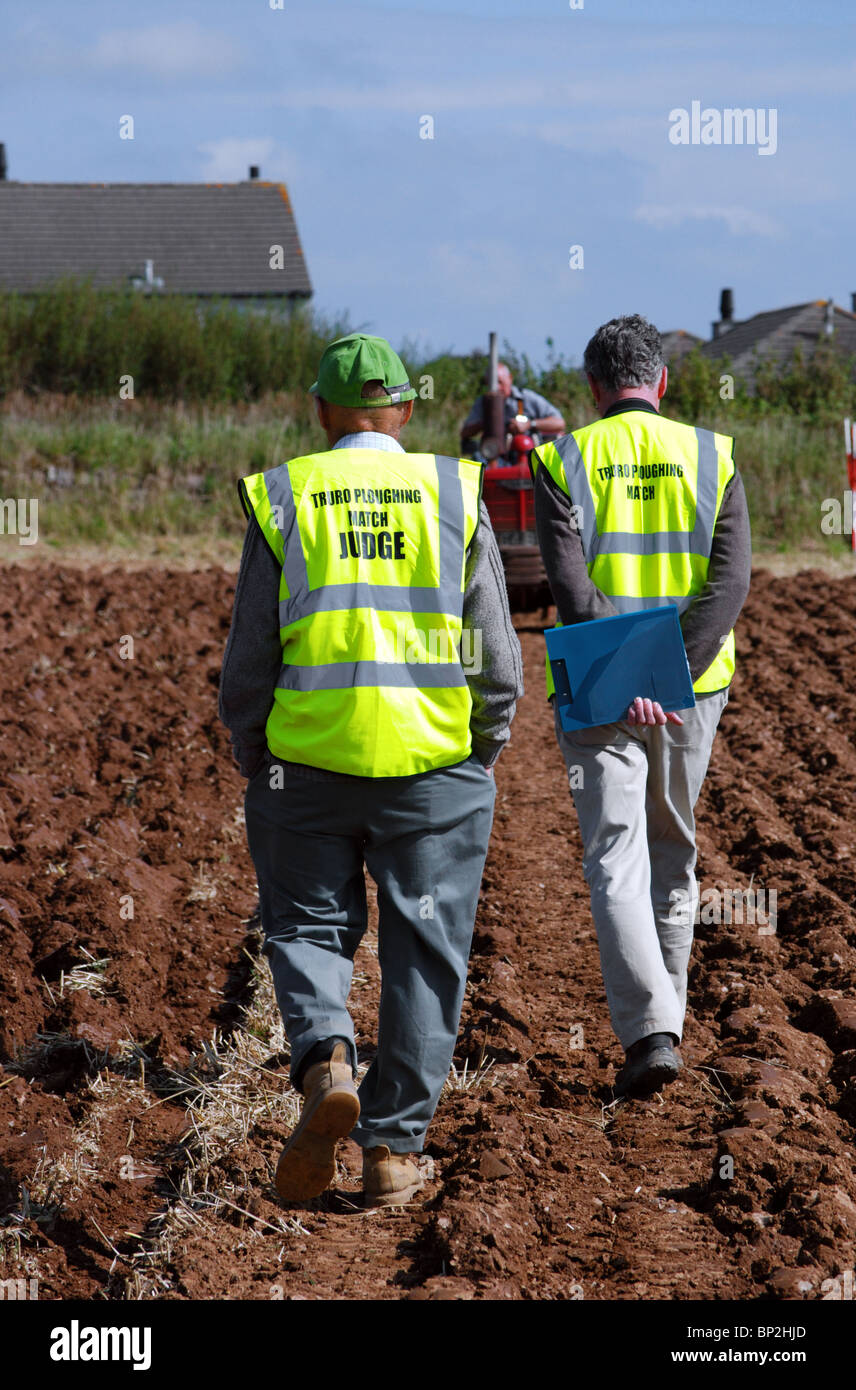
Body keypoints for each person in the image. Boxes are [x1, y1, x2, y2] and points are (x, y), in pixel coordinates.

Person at [219, 332, 523, 1205]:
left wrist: (254, 753)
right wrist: (480, 751)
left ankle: (325, 1062)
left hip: (304, 766)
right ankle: (393, 1155)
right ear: (405, 411)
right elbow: (495, 659)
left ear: (320, 412)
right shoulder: (453, 491)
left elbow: (250, 655)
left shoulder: (289, 494)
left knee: (307, 928)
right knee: (426, 953)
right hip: (432, 769)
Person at [532, 314, 751, 1099]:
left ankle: (651, 1030)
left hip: (600, 688)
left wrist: (634, 677)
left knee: (614, 856)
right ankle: (669, 1021)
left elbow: (568, 586)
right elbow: (729, 586)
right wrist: (673, 678)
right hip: (696, 689)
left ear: (593, 391)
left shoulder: (562, 458)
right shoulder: (712, 454)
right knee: (673, 852)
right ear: (661, 383)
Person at [460, 361, 565, 461]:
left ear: (510, 378)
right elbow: (465, 432)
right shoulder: (482, 403)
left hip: (530, 456)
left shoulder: (526, 397)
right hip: (495, 457)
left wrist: (529, 424)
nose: (496, 387)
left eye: (500, 382)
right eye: (491, 383)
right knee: (478, 459)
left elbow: (559, 423)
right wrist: (487, 422)